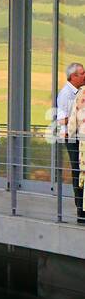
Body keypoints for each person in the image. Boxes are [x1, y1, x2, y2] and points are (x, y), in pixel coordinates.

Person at [57, 62, 85, 221]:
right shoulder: (66, 94)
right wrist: (78, 115)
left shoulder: (80, 91)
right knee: (78, 171)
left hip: (80, 138)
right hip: (72, 138)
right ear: (73, 76)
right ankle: (81, 211)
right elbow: (61, 121)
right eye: (82, 73)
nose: (84, 76)